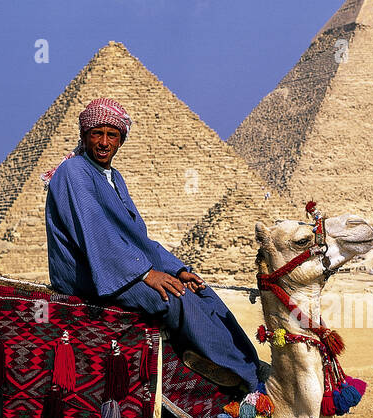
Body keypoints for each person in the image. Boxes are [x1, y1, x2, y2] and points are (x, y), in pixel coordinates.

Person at [44, 97, 262, 391]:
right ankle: (237, 377)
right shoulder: (74, 172)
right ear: (84, 136)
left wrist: (178, 269)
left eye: (112, 135)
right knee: (175, 299)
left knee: (201, 291)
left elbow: (138, 239)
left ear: (121, 139)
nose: (104, 142)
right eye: (97, 133)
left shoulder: (113, 178)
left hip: (119, 266)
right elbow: (95, 235)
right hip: (89, 272)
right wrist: (145, 274)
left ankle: (247, 363)